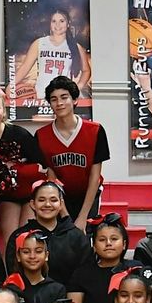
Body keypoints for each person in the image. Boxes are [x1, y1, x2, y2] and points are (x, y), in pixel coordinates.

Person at [0, 89, 44, 243]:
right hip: (8, 196)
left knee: (26, 240)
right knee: (12, 240)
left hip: (30, 194)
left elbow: (42, 167)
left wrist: (17, 170)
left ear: (4, 112)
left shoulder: (20, 135)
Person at [37, 76, 109, 224]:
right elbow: (51, 177)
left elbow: (95, 178)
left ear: (75, 100)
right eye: (54, 99)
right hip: (59, 197)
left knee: (84, 239)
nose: (59, 103)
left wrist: (83, 218)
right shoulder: (42, 135)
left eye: (64, 97)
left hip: (88, 194)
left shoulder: (95, 131)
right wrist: (65, 216)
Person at [7, 179, 88, 285]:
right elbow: (13, 272)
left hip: (69, 298)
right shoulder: (19, 236)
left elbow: (84, 275)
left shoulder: (76, 236)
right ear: (33, 204)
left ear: (61, 204)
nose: (47, 204)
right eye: (41, 200)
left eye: (53, 200)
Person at [66, 214, 139, 303]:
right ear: (94, 245)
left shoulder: (135, 269)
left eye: (114, 239)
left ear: (124, 244)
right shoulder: (81, 274)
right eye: (102, 240)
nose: (108, 243)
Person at [11, 8, 92, 103]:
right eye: (54, 21)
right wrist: (11, 85)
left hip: (64, 98)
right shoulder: (39, 43)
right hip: (41, 95)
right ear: (50, 24)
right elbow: (25, 67)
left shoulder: (75, 46)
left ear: (68, 23)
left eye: (62, 21)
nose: (58, 25)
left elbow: (86, 70)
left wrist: (78, 87)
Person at [7, 231, 68, 303]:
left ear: (46, 255)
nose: (32, 256)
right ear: (18, 256)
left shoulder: (57, 289)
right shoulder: (11, 288)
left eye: (38, 251)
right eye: (26, 252)